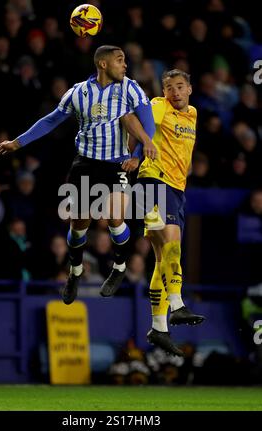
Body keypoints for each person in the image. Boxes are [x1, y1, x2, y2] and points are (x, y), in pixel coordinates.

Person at [0, 45, 156, 304]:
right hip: (85, 164)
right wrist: (18, 142)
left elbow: (148, 123)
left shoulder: (130, 88)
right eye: (120, 60)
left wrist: (138, 156)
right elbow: (50, 120)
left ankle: (120, 267)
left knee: (115, 217)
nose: (125, 65)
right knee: (79, 225)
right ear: (103, 64)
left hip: (118, 164)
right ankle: (75, 272)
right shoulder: (78, 92)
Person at [122, 69, 205, 356]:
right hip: (153, 181)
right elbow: (130, 117)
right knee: (171, 243)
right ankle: (178, 305)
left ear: (190, 89)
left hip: (175, 188)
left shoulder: (192, 114)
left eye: (180, 87)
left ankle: (158, 326)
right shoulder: (158, 106)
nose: (175, 92)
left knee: (162, 257)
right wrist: (135, 153)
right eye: (170, 88)